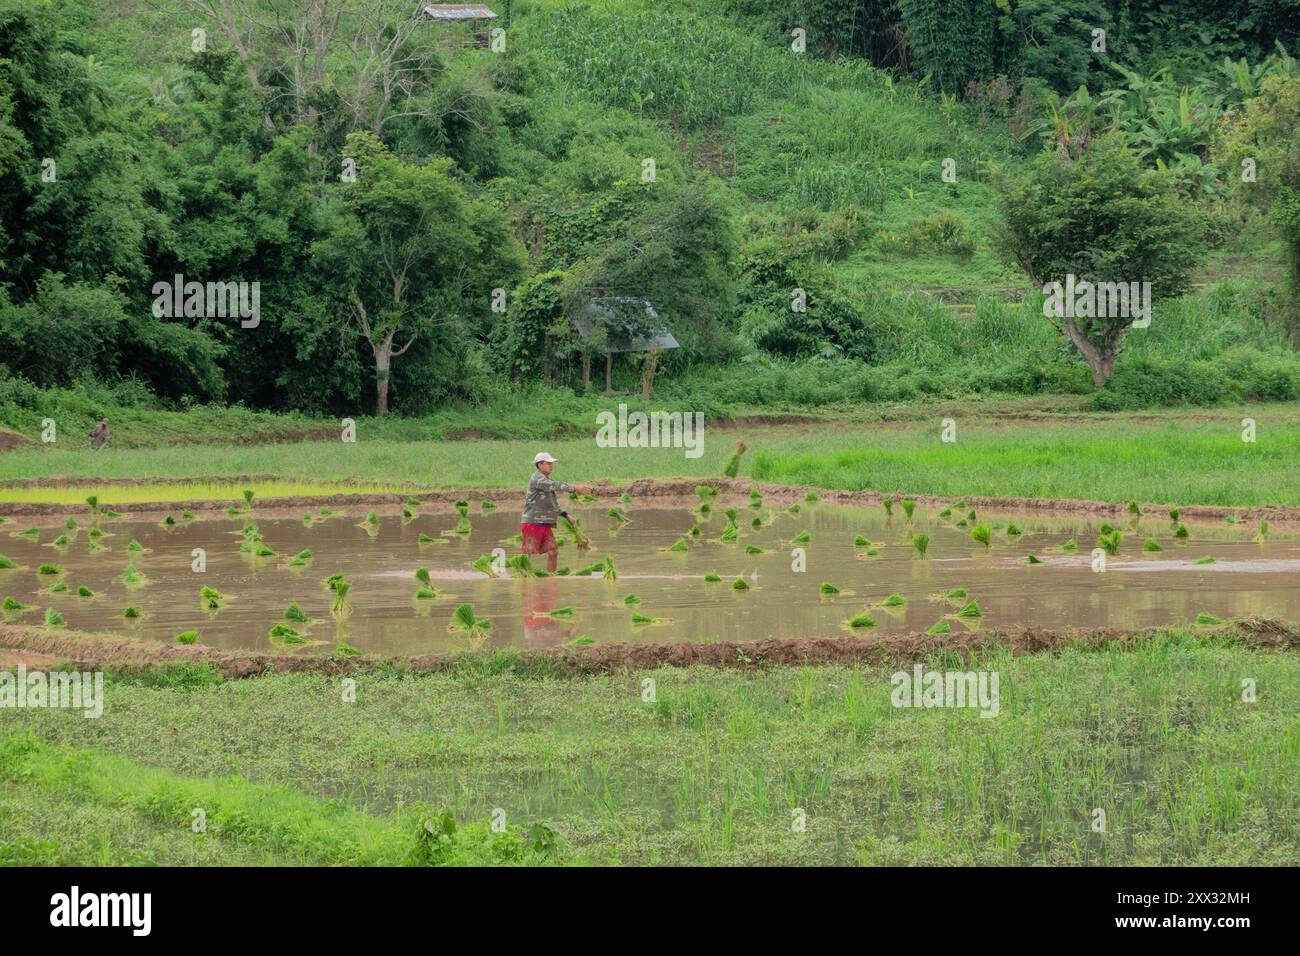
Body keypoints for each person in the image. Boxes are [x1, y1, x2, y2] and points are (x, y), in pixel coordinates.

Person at [521, 452, 592, 573]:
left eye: (551, 463)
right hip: (533, 522)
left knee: (553, 551)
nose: (551, 466)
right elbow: (555, 485)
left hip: (544, 523)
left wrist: (566, 515)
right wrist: (575, 488)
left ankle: (550, 579)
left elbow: (551, 503)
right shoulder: (537, 479)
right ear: (540, 465)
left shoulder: (545, 480)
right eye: (548, 463)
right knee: (527, 552)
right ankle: (522, 577)